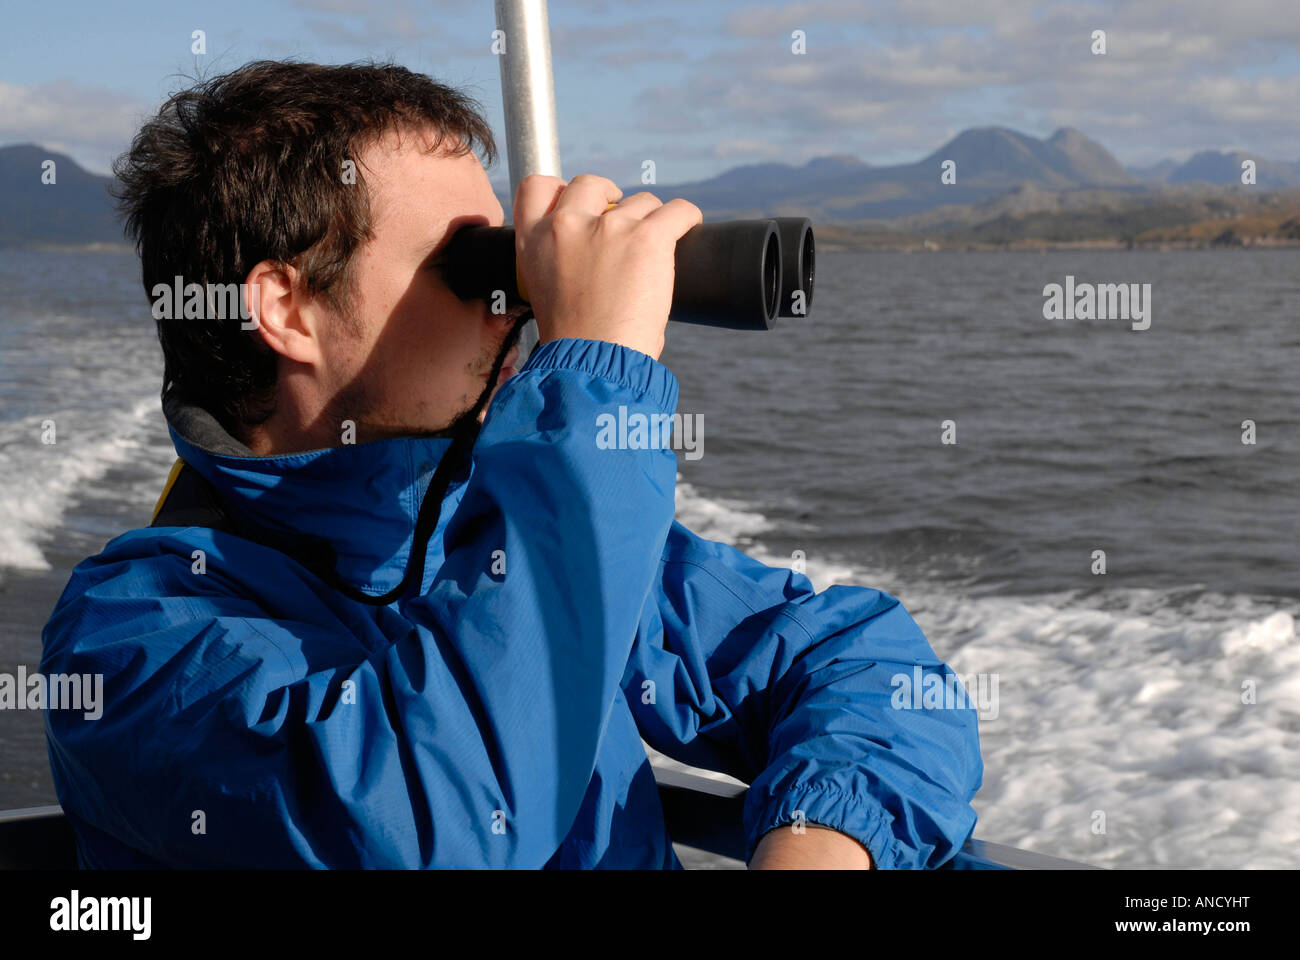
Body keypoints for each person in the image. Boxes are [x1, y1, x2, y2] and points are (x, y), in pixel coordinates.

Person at [41, 60, 982, 869]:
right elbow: (434, 828)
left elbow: (860, 662)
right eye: (477, 267)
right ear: (287, 310)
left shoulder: (498, 528)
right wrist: (600, 373)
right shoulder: (135, 645)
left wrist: (825, 834)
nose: (519, 307)